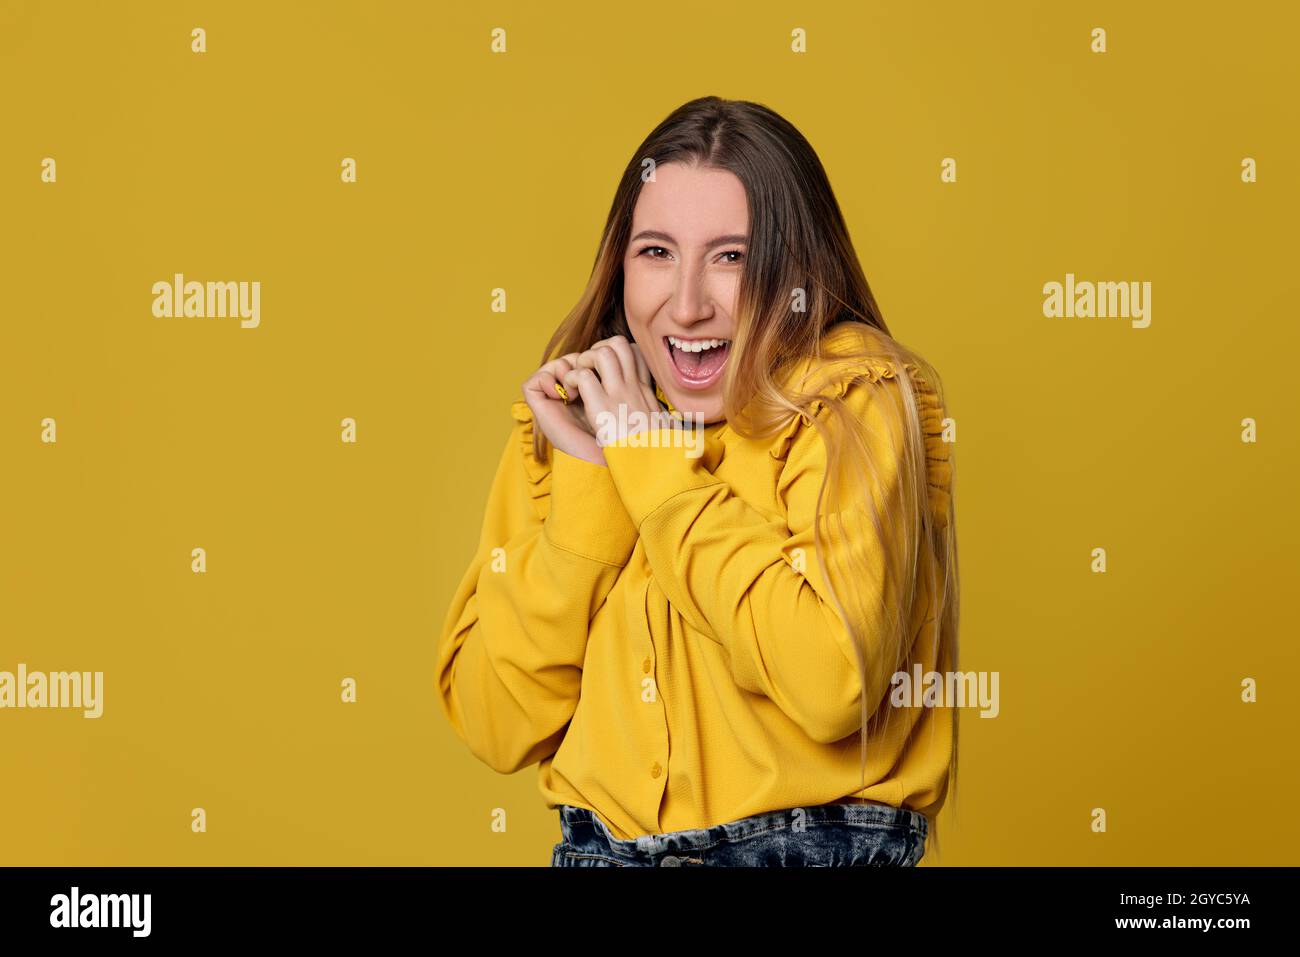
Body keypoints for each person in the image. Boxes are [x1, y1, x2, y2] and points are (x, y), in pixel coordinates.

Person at [436, 95, 959, 867]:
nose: (687, 304)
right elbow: (494, 721)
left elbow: (830, 680)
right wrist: (592, 478)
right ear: (619, 266)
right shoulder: (584, 419)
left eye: (732, 256)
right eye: (656, 252)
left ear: (797, 270)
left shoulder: (849, 397)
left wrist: (649, 463)